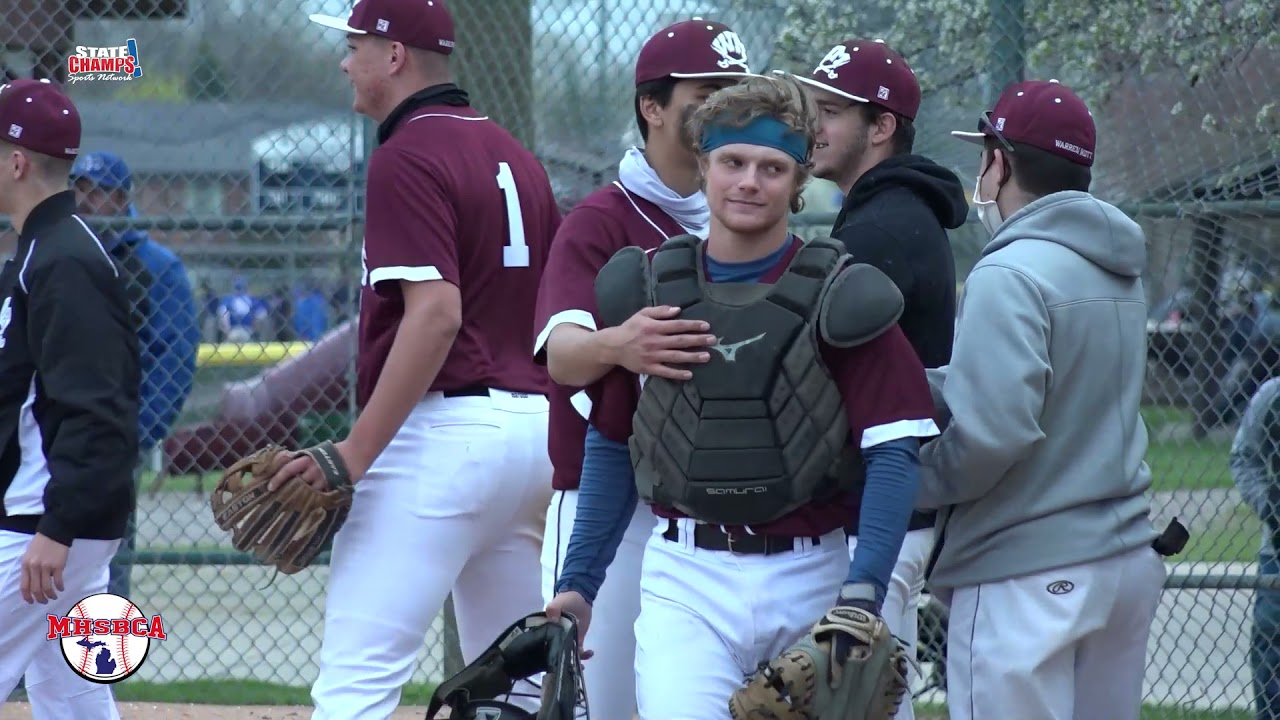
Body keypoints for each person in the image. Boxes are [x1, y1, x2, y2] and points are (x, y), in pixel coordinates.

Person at [545, 73, 940, 718]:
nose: (749, 182)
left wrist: (863, 594)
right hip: (686, 576)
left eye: (771, 167)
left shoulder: (841, 295)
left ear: (800, 178)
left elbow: (893, 454)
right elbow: (613, 442)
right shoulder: (649, 289)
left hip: (814, 576)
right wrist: (578, 586)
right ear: (703, 166)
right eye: (731, 162)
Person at [274, 0, 562, 717]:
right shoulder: (516, 156)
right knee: (523, 687)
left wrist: (354, 453)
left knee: (357, 685)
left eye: (353, 45)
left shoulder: (406, 154)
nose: (346, 61)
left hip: (442, 443)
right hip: (534, 437)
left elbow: (436, 317)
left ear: (393, 55)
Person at [917, 79, 1180, 719]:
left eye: (984, 154)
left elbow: (993, 435)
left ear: (999, 160)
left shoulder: (1009, 271)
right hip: (1122, 561)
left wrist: (910, 482)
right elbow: (1064, 384)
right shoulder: (1116, 263)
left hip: (1026, 571)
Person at [532, 17, 753, 717]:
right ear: (652, 108)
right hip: (608, 509)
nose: (724, 106)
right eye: (705, 91)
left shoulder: (748, 219)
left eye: (734, 91)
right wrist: (618, 345)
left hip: (708, 515)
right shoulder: (603, 220)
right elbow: (564, 357)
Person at [795, 38, 968, 715]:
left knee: (860, 701)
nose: (814, 126)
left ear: (882, 126)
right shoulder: (882, 213)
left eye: (831, 112)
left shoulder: (883, 228)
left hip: (881, 507)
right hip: (888, 502)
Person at [0, 78, 139, 719]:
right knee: (70, 694)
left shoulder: (62, 260)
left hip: (41, 526)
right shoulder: (40, 250)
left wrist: (56, 528)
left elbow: (98, 410)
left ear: (18, 161)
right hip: (57, 522)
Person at [70, 149, 200, 597]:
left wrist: (139, 433)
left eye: (99, 191)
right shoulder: (58, 253)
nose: (86, 200)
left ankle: (100, 666)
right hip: (47, 433)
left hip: (113, 434)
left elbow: (175, 359)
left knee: (105, 565)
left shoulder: (156, 266)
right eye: (79, 189)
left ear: (123, 198)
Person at [1230, 377, 1280, 720]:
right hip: (1277, 553)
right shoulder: (1273, 395)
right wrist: (1270, 508)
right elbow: (1243, 456)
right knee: (1271, 647)